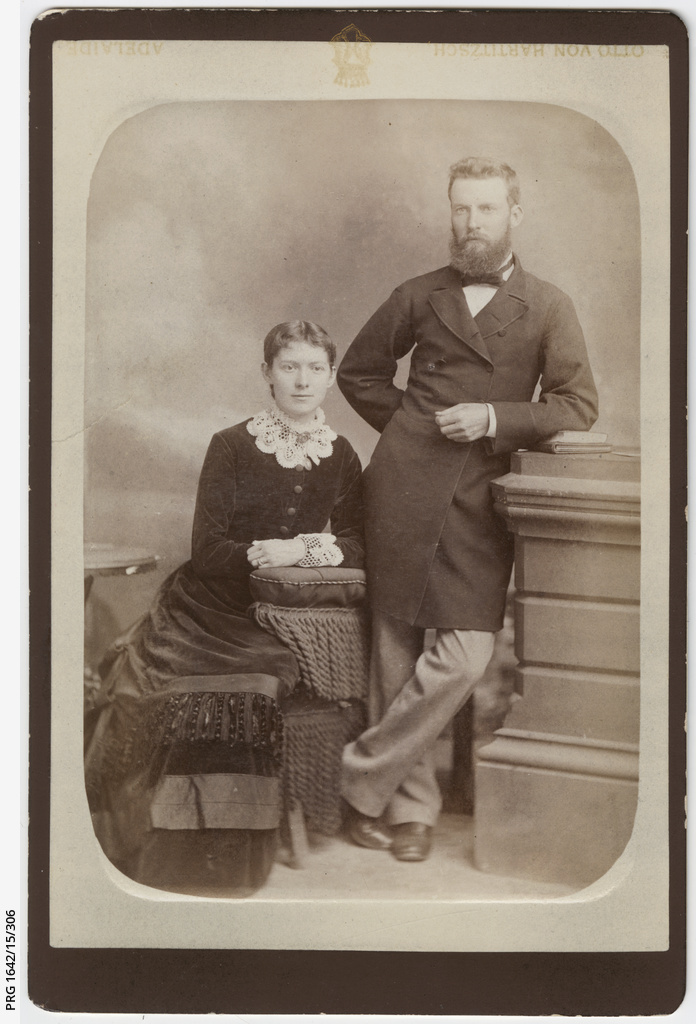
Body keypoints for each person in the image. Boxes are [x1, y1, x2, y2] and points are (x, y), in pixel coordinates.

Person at [338, 157, 599, 862]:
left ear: (515, 213)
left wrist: (491, 418)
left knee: (462, 655)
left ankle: (359, 779)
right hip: (400, 490)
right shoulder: (419, 294)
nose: (470, 224)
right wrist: (411, 428)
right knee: (395, 656)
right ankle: (411, 810)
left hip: (480, 503)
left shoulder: (549, 305)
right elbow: (357, 372)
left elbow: (577, 405)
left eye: (485, 209)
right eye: (460, 209)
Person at [84, 321, 364, 896]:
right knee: (222, 690)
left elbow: (358, 543)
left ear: (332, 377)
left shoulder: (341, 454)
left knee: (263, 682)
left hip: (283, 613)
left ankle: (232, 854)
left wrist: (297, 549)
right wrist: (259, 555)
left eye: (315, 368)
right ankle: (182, 851)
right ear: (267, 374)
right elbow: (207, 551)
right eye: (289, 367)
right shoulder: (232, 444)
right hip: (207, 607)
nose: (303, 380)